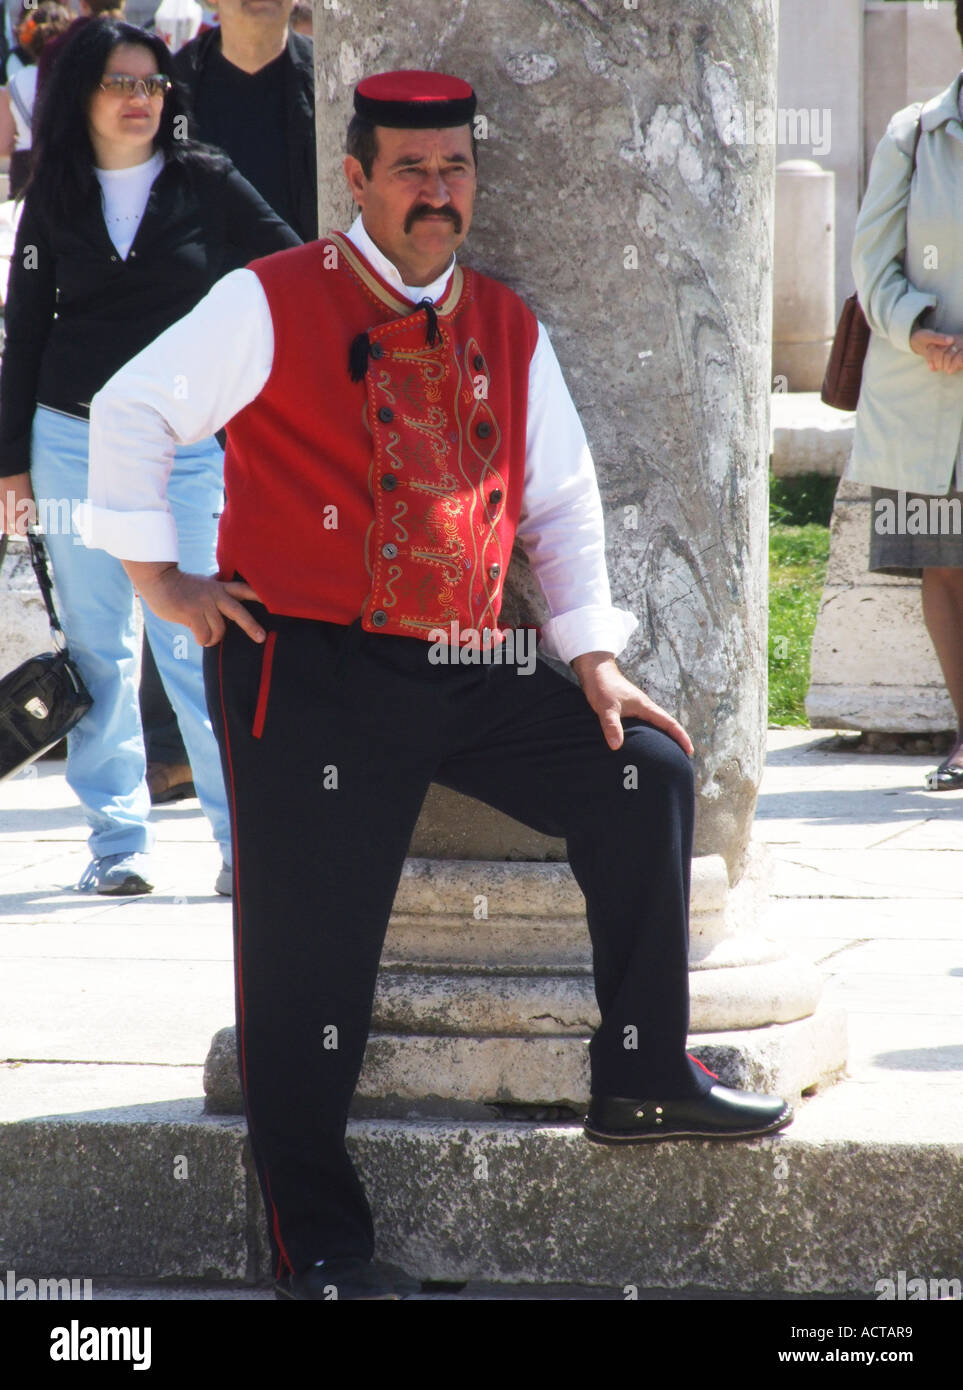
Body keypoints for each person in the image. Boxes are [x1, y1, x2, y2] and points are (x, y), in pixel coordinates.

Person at [83, 70, 793, 1299]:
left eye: (454, 167)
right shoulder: (270, 300)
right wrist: (165, 583)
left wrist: (591, 654)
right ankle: (323, 1254)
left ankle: (639, 1073)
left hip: (468, 661)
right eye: (411, 168)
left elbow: (560, 502)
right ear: (355, 177)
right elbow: (130, 406)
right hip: (307, 673)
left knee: (647, 773)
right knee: (310, 974)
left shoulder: (507, 326)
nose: (436, 191)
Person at [0, 17, 299, 895]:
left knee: (198, 635)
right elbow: (22, 334)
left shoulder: (204, 178)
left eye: (152, 83)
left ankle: (242, 848)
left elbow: (288, 267)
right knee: (99, 650)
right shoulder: (50, 190)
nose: (140, 99)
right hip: (68, 439)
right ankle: (117, 847)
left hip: (188, 446)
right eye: (120, 83)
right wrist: (11, 465)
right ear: (81, 94)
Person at [846, 3, 963, 792]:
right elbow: (870, 262)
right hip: (929, 392)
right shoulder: (914, 135)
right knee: (945, 567)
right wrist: (913, 326)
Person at [0, 3, 71, 200]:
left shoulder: (14, 82)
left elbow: (3, 144)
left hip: (25, 166)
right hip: (66, 164)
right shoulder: (74, 77)